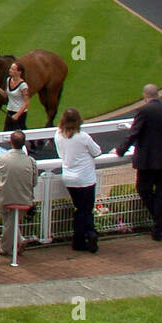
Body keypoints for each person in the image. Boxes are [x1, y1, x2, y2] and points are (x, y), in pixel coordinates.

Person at [115, 84, 162, 240]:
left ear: (145, 96)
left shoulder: (143, 111)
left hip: (148, 160)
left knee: (143, 189)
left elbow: (134, 133)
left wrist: (121, 150)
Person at [55, 108, 101, 252]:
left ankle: (85, 236)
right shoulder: (83, 137)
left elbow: (61, 154)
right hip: (85, 179)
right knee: (85, 210)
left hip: (69, 178)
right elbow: (97, 151)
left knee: (81, 209)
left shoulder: (58, 135)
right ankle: (85, 237)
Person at [0, 130, 38, 255]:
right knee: (12, 218)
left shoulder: (2, 158)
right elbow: (34, 182)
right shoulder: (31, 161)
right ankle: (19, 239)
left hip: (6, 199)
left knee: (9, 218)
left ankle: (5, 247)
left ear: (11, 143)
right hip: (24, 199)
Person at [0, 62, 31, 130]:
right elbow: (5, 95)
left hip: (20, 114)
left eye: (13, 69)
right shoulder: (8, 80)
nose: (10, 70)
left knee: (20, 132)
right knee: (6, 132)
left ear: (19, 72)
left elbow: (27, 103)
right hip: (10, 111)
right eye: (10, 68)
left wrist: (17, 115)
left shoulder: (23, 86)